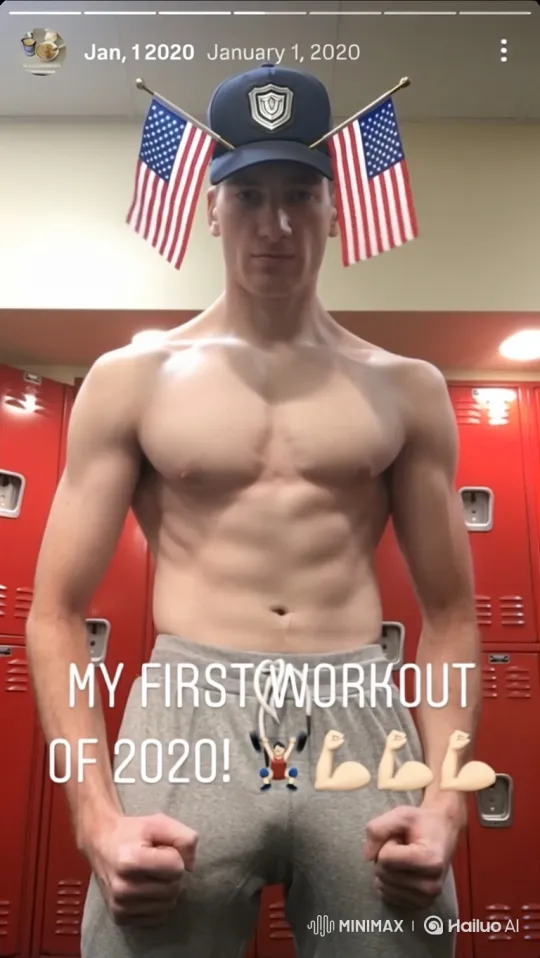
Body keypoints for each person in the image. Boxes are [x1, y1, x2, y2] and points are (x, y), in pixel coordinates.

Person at [26, 63, 480, 958]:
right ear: (208, 207)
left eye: (300, 195)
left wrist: (447, 802)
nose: (274, 223)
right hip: (187, 705)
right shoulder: (131, 381)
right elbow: (54, 613)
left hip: (356, 703)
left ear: (338, 207)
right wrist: (94, 816)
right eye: (249, 196)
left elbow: (453, 615)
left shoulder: (408, 390)